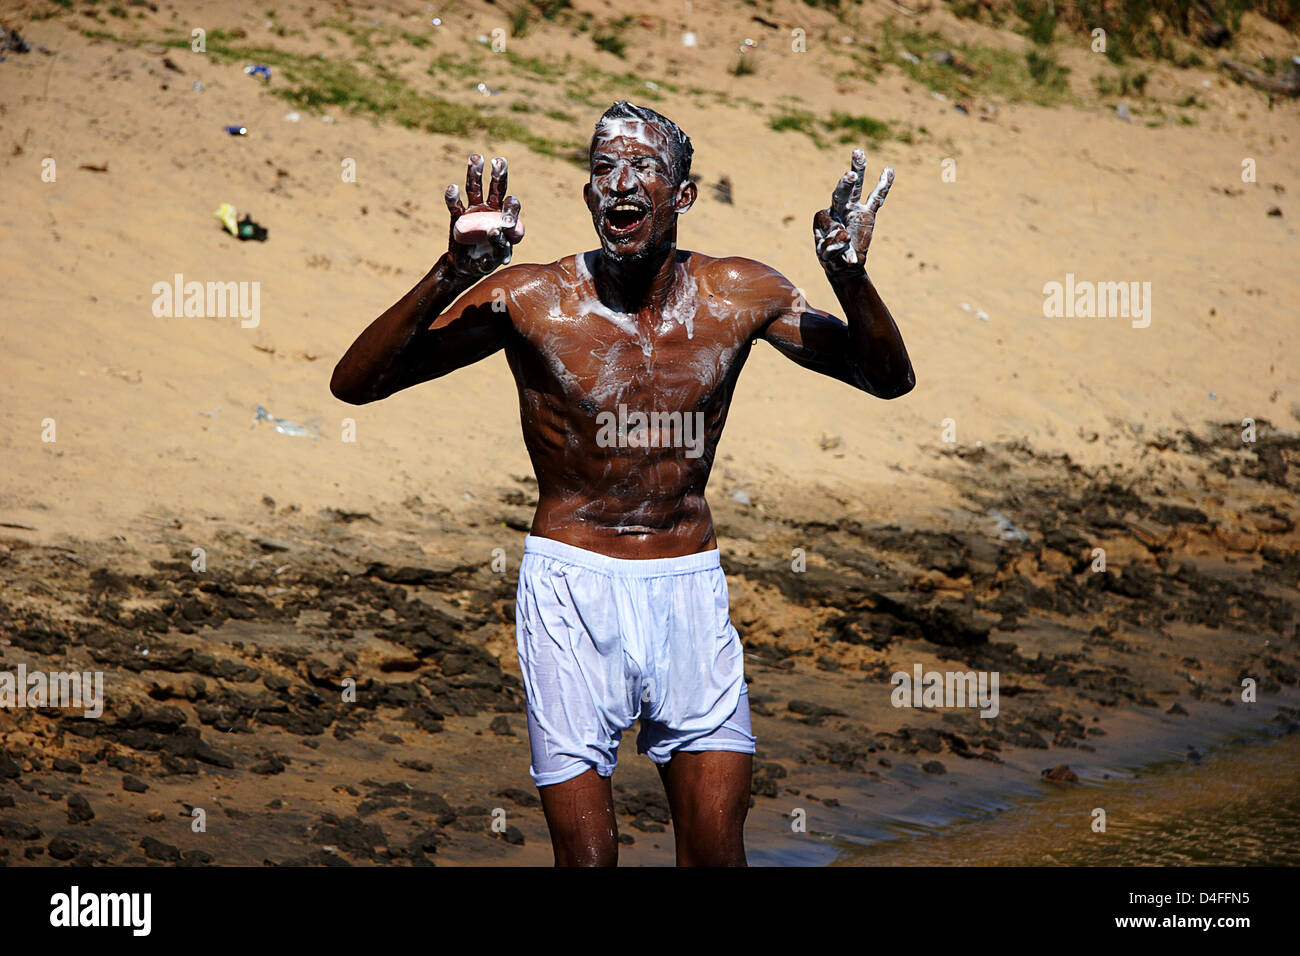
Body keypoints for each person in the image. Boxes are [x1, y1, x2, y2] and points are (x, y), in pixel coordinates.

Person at [331, 101, 914, 866]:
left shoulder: (741, 294)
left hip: (688, 589)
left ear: (683, 195)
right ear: (587, 196)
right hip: (572, 588)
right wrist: (453, 272)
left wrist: (850, 278)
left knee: (716, 856)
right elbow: (357, 384)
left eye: (643, 168)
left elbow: (887, 379)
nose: (621, 184)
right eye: (603, 169)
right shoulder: (532, 299)